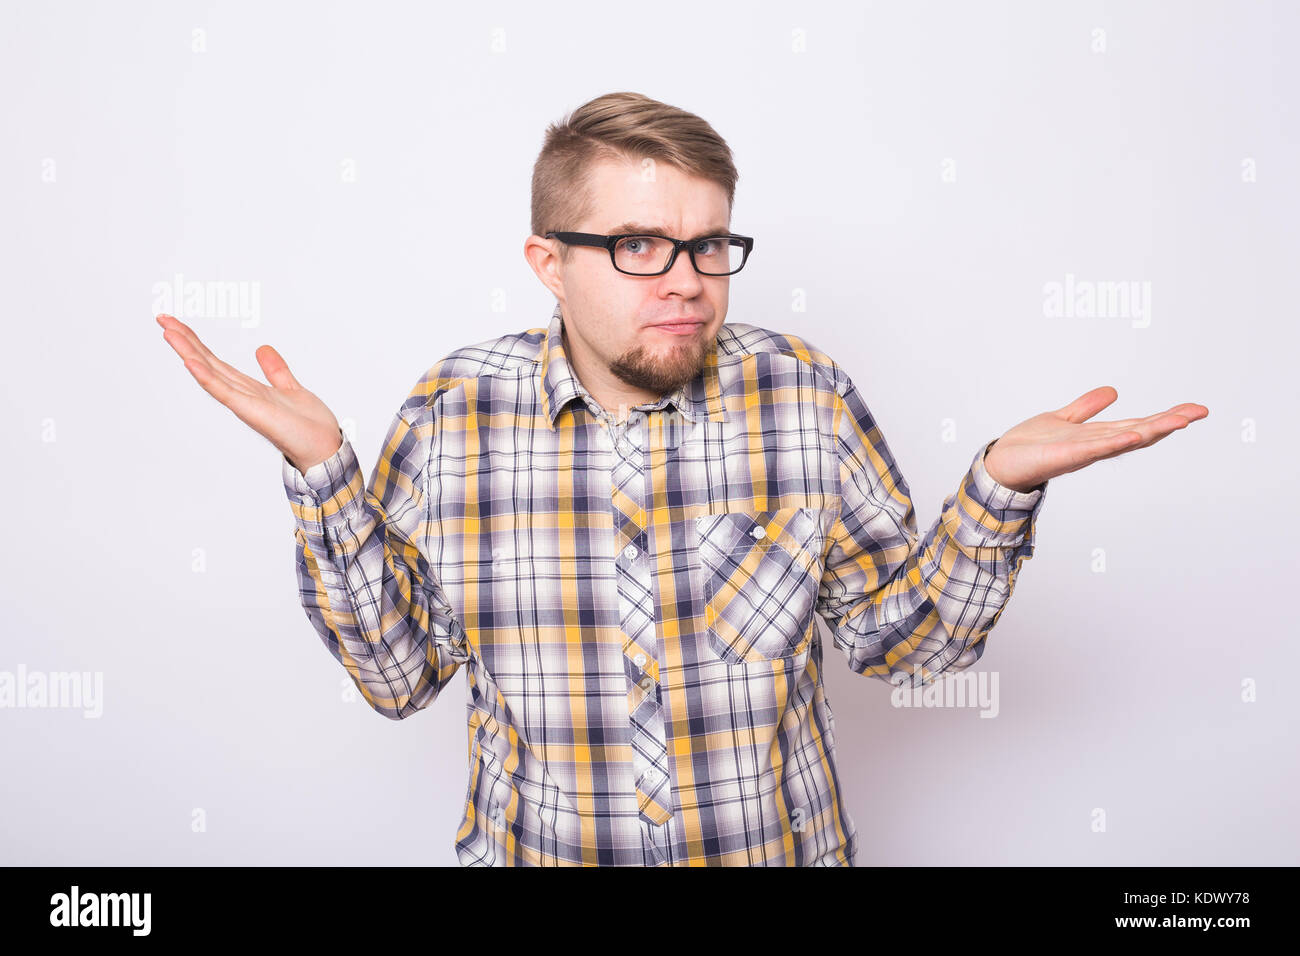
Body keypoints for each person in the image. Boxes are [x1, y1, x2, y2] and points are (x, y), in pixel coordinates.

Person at [156, 91, 1207, 866]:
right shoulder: (452, 410)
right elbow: (396, 680)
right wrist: (322, 472)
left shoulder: (802, 391)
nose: (686, 282)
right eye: (637, 246)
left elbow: (907, 647)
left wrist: (995, 491)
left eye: (709, 245)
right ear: (546, 261)